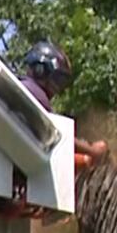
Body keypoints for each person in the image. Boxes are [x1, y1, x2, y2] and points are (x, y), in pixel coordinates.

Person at [20, 40, 109, 171]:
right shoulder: (35, 93)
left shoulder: (22, 90)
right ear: (40, 70)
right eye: (57, 79)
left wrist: (84, 159)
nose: (58, 87)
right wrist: (92, 151)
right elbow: (55, 137)